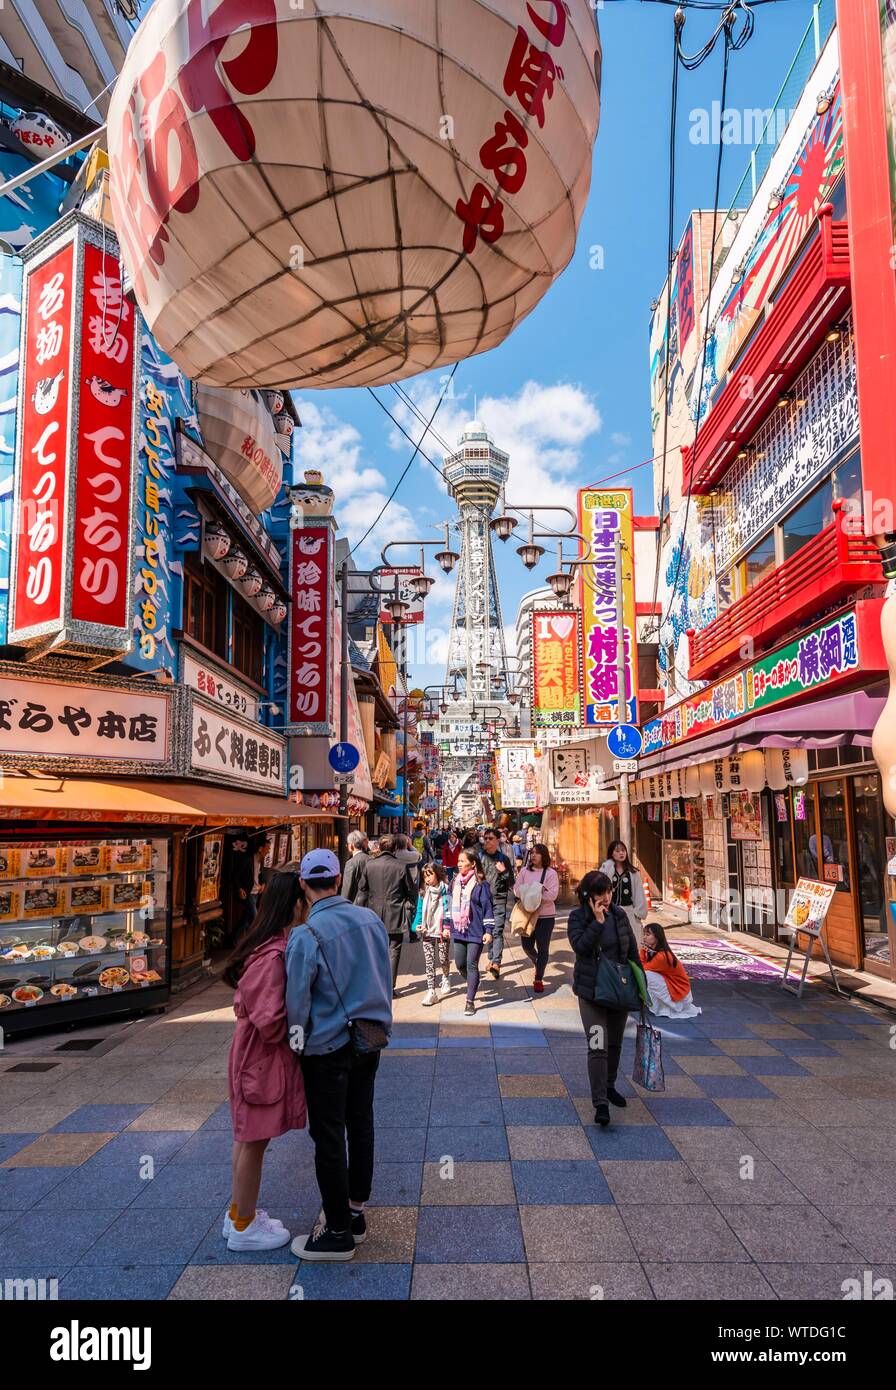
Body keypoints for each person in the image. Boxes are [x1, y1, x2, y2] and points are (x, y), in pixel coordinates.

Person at [286, 848, 393, 1262]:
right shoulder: (370, 920)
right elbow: (384, 977)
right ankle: (355, 1212)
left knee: (328, 1134)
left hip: (326, 1048)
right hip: (368, 1040)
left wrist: (296, 1045)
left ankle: (336, 1232)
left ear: (303, 884)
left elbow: (297, 1002)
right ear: (337, 879)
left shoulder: (305, 935)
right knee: (360, 1122)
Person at [223, 871, 308, 1252]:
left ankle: (239, 1212)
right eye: (304, 899)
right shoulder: (271, 956)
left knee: (248, 1136)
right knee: (254, 1139)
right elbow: (270, 1019)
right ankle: (244, 1227)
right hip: (259, 1059)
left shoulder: (267, 945)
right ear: (293, 904)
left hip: (252, 1056)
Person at [568, 869, 639, 1128]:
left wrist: (640, 988)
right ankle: (600, 1103)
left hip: (618, 991)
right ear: (588, 895)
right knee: (597, 1044)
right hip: (591, 993)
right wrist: (597, 922)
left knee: (615, 1044)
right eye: (601, 893)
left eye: (609, 891)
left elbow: (631, 952)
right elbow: (580, 947)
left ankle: (609, 1086)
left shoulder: (620, 915)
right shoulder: (577, 917)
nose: (606, 897)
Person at [356, 832, 417, 992]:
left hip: (372, 913)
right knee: (393, 951)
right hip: (395, 912)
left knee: (375, 949)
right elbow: (412, 892)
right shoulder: (400, 866)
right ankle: (389, 986)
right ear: (395, 848)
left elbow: (362, 890)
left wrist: (358, 911)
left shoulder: (370, 864)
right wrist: (409, 909)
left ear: (380, 847)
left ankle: (374, 984)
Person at [450, 849, 494, 1016]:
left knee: (471, 964)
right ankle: (473, 982)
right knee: (460, 964)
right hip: (459, 930)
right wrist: (447, 927)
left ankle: (470, 1001)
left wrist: (488, 930)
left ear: (473, 863)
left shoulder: (481, 884)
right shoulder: (454, 881)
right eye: (458, 861)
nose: (459, 864)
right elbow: (448, 904)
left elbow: (488, 909)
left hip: (476, 931)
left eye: (463, 861)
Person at [512, 843, 560, 994]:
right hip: (527, 914)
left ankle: (538, 978)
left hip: (545, 915)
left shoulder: (551, 873)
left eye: (537, 853)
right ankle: (536, 961)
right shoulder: (525, 871)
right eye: (532, 853)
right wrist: (532, 891)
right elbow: (516, 889)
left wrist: (533, 893)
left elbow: (552, 895)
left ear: (544, 856)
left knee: (543, 947)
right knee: (526, 945)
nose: (533, 856)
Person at [640, 921, 701, 1019]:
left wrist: (642, 951)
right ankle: (659, 1006)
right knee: (647, 975)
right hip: (672, 985)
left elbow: (642, 968)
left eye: (648, 934)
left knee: (647, 975)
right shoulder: (653, 951)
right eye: (644, 934)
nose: (644, 937)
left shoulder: (662, 956)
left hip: (679, 991)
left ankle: (664, 1007)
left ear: (657, 937)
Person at [480, 826, 515, 979]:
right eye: (485, 838)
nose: (487, 841)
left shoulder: (504, 859)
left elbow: (511, 881)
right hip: (483, 900)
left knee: (497, 930)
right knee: (487, 930)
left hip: (499, 899)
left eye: (490, 838)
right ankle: (491, 958)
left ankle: (496, 963)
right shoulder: (479, 858)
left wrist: (504, 871)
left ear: (497, 840)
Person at [418, 861, 453, 1005]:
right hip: (427, 930)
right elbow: (420, 911)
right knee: (429, 961)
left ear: (437, 874)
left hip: (441, 931)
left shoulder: (446, 890)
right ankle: (431, 990)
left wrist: (447, 927)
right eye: (424, 876)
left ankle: (445, 976)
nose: (427, 879)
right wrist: (417, 925)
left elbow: (449, 910)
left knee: (443, 958)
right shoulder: (423, 891)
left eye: (429, 875)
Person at [599, 840, 648, 935]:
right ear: (611, 853)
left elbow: (639, 894)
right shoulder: (606, 869)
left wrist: (637, 913)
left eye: (623, 850)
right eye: (617, 851)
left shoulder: (633, 872)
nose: (621, 853)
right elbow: (599, 888)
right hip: (610, 912)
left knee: (630, 940)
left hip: (628, 912)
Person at [342, 829, 369, 904]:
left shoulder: (351, 863)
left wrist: (343, 904)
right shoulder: (371, 859)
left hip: (355, 904)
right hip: (370, 904)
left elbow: (347, 888)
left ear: (351, 845)